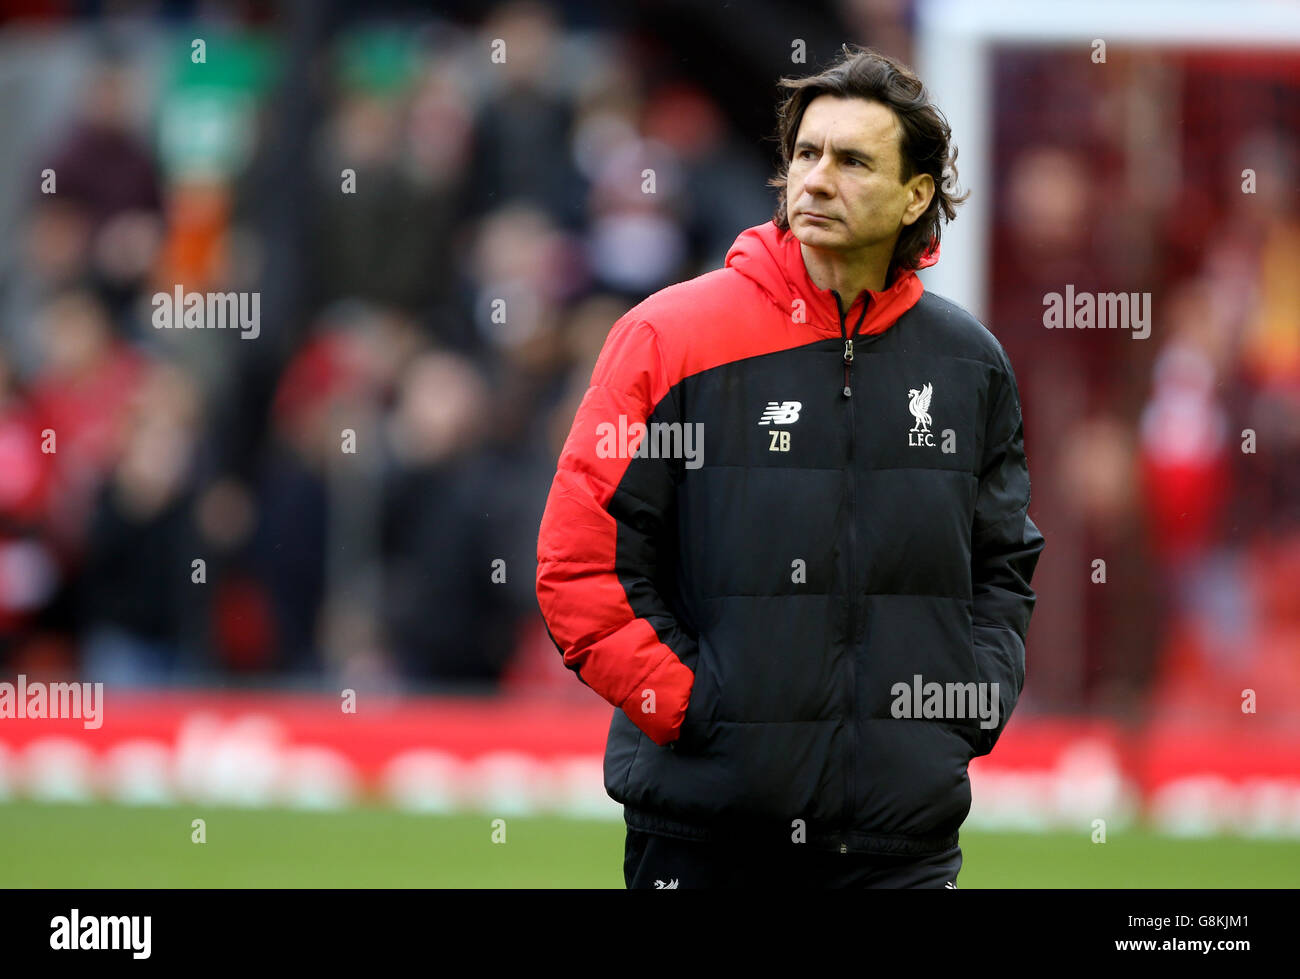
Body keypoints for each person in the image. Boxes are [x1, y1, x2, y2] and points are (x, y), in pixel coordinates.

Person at [535, 45, 1045, 888]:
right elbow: (579, 562)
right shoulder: (669, 336)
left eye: (851, 160)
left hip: (900, 846)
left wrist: (965, 707)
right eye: (806, 154)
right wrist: (696, 708)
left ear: (918, 194)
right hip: (709, 834)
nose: (815, 179)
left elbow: (1002, 567)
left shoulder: (969, 364)